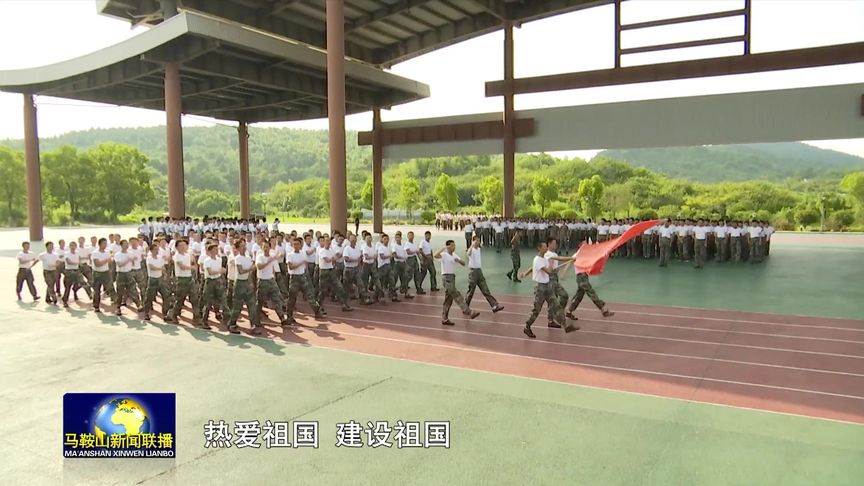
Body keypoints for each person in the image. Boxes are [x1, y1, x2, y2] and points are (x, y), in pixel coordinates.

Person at [519, 241, 574, 338]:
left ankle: (565, 325)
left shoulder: (544, 259)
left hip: (547, 286)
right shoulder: (537, 260)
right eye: (544, 247)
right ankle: (527, 326)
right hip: (540, 288)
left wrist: (526, 273)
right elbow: (548, 271)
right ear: (539, 248)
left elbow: (542, 269)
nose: (546, 248)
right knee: (536, 310)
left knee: (556, 305)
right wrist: (552, 267)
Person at [434, 240, 479, 326]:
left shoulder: (454, 255)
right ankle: (469, 311)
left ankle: (445, 318)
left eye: (454, 245)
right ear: (448, 246)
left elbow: (463, 263)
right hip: (446, 278)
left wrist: (458, 260)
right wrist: (443, 248)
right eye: (452, 246)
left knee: (448, 300)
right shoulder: (444, 255)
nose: (454, 247)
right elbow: (435, 255)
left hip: (452, 278)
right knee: (456, 294)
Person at [285, 238, 323, 324]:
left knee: (310, 295)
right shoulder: (290, 255)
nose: (296, 246)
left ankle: (317, 312)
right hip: (294, 278)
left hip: (302, 277)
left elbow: (305, 264)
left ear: (300, 245)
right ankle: (289, 316)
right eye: (294, 244)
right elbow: (290, 266)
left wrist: (303, 268)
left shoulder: (303, 253)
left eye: (297, 244)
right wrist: (300, 263)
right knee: (292, 299)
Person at [228, 239, 260, 334]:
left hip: (247, 283)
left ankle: (253, 326)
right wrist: (250, 268)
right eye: (242, 246)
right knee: (237, 306)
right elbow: (241, 271)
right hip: (239, 284)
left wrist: (250, 282)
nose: (245, 247)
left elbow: (250, 272)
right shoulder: (237, 258)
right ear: (238, 248)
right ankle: (232, 324)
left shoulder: (247, 257)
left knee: (252, 305)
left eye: (245, 245)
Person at [464, 236, 504, 313]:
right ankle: (465, 307)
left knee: (485, 289)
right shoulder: (471, 250)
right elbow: (468, 254)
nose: (478, 242)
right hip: (473, 272)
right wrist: (472, 245)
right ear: (473, 241)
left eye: (479, 241)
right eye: (477, 241)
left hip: (479, 271)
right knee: (471, 291)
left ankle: (494, 305)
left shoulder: (479, 249)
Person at [167, 240, 201, 325]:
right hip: (181, 280)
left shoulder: (187, 255)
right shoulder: (177, 256)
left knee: (195, 298)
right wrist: (192, 267)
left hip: (189, 278)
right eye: (181, 246)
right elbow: (181, 266)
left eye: (184, 245)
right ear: (177, 247)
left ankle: (196, 317)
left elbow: (193, 262)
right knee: (180, 299)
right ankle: (174, 315)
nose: (183, 247)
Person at [317, 236, 353, 312]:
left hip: (331, 270)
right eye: (326, 242)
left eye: (329, 242)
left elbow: (334, 259)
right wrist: (332, 259)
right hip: (324, 271)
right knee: (323, 291)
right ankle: (319, 305)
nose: (328, 243)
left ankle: (344, 304)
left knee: (339, 287)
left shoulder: (331, 250)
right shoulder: (321, 251)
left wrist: (333, 260)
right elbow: (327, 260)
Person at [199, 244, 229, 328]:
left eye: (217, 249)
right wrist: (220, 271)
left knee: (222, 300)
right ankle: (204, 321)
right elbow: (210, 272)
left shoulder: (219, 259)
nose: (216, 251)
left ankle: (227, 320)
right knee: (208, 303)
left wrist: (220, 273)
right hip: (210, 282)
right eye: (215, 249)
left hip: (218, 281)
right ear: (210, 251)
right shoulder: (207, 260)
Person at [142, 243, 172, 322]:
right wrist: (160, 269)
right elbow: (152, 268)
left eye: (157, 249)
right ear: (151, 250)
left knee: (166, 295)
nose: (157, 251)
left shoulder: (160, 258)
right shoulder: (149, 258)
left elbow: (162, 267)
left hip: (160, 279)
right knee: (149, 297)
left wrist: (164, 274)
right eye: (155, 250)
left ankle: (165, 313)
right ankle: (146, 313)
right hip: (152, 280)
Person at [113, 240, 142, 316]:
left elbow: (133, 263)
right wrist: (128, 259)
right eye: (125, 244)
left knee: (133, 289)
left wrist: (132, 260)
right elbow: (119, 264)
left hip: (128, 272)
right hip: (121, 274)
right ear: (121, 245)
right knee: (120, 291)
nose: (126, 246)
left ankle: (138, 304)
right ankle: (118, 307)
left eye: (127, 244)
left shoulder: (130, 253)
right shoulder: (117, 254)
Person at [61, 242, 92, 306]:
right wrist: (77, 263)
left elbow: (80, 261)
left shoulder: (77, 253)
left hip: (77, 270)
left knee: (83, 282)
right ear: (69, 246)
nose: (73, 247)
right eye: (71, 246)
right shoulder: (67, 253)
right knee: (68, 287)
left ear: (75, 246)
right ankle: (65, 300)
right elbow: (68, 262)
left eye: (74, 246)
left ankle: (90, 295)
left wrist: (82, 264)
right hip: (69, 271)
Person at [90, 238, 114, 313]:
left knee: (110, 287)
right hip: (97, 273)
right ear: (100, 244)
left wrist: (108, 261)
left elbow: (110, 263)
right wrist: (107, 260)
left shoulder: (107, 252)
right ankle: (96, 306)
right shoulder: (95, 253)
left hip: (106, 272)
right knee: (97, 290)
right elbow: (98, 264)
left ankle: (116, 304)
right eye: (104, 243)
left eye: (106, 243)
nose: (105, 245)